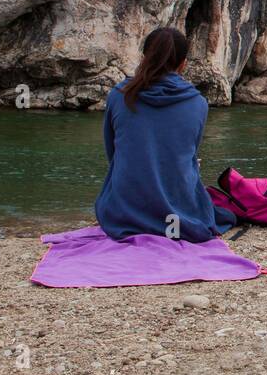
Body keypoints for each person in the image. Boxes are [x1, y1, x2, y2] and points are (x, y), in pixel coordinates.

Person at [95, 27, 236, 241]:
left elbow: (111, 152)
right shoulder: (197, 103)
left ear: (144, 57)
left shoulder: (119, 96)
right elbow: (188, 152)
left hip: (121, 215)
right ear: (183, 63)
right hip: (178, 218)